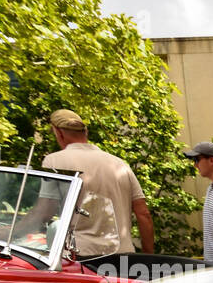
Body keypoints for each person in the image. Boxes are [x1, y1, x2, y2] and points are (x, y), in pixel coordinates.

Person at [15, 109, 154, 257]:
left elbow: (43, 213)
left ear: (58, 133)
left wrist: (9, 234)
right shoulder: (120, 164)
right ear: (85, 132)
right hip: (123, 256)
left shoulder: (54, 161)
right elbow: (143, 213)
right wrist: (148, 256)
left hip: (82, 257)